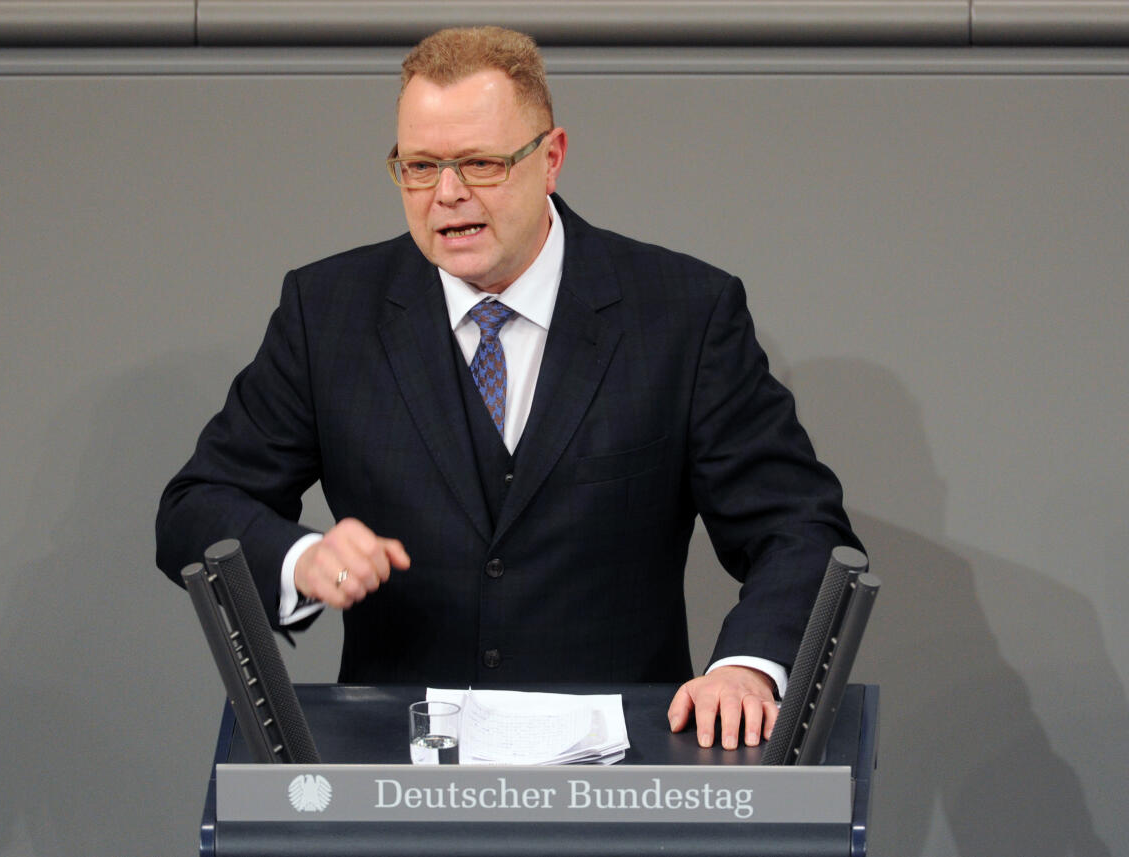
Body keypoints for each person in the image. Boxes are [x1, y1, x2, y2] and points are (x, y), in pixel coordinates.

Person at [156, 25, 861, 751]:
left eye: (481, 163)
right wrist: (303, 559)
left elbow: (799, 528)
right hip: (397, 781)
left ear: (550, 158)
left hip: (625, 780)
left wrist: (748, 669)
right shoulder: (328, 313)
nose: (447, 195)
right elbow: (195, 507)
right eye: (420, 166)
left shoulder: (683, 314)